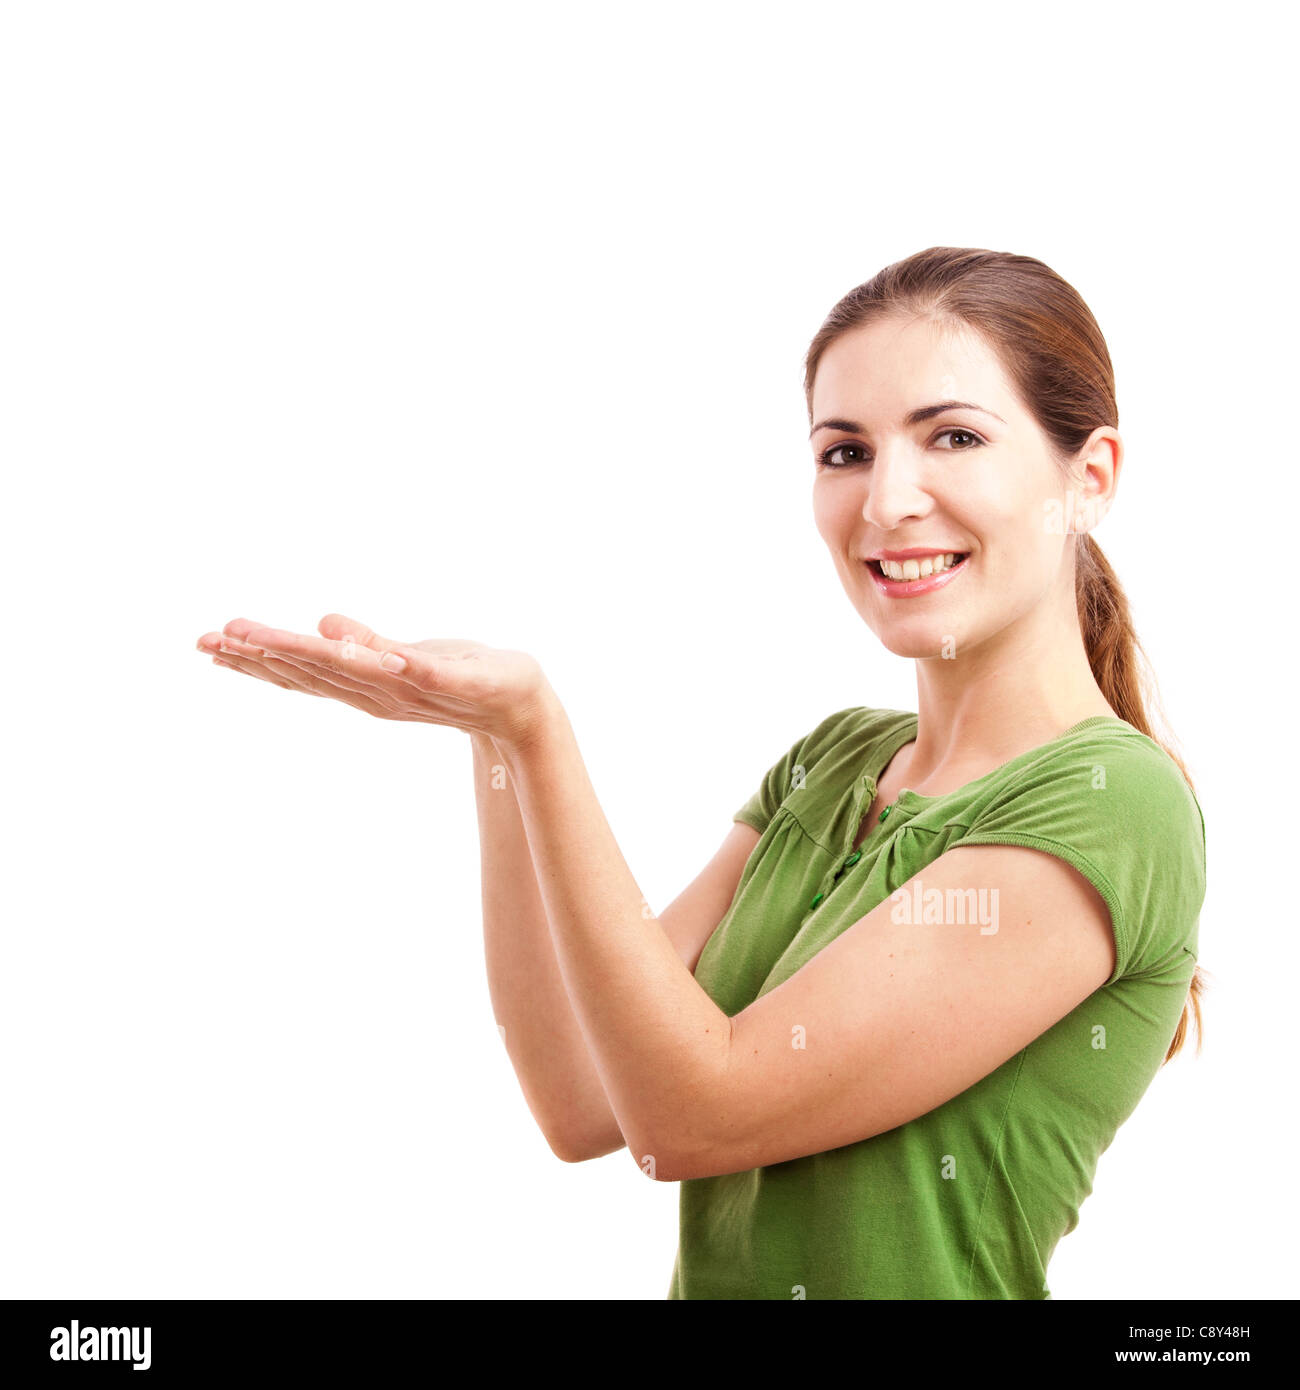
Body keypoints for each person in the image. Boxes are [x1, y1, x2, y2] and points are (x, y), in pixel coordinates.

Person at [195, 245, 1206, 1300]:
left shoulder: (1112, 805)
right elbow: (584, 1099)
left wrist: (539, 731)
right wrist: (491, 742)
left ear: (1086, 480)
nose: (887, 500)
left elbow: (691, 1117)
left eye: (952, 436)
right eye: (844, 451)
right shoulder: (834, 763)